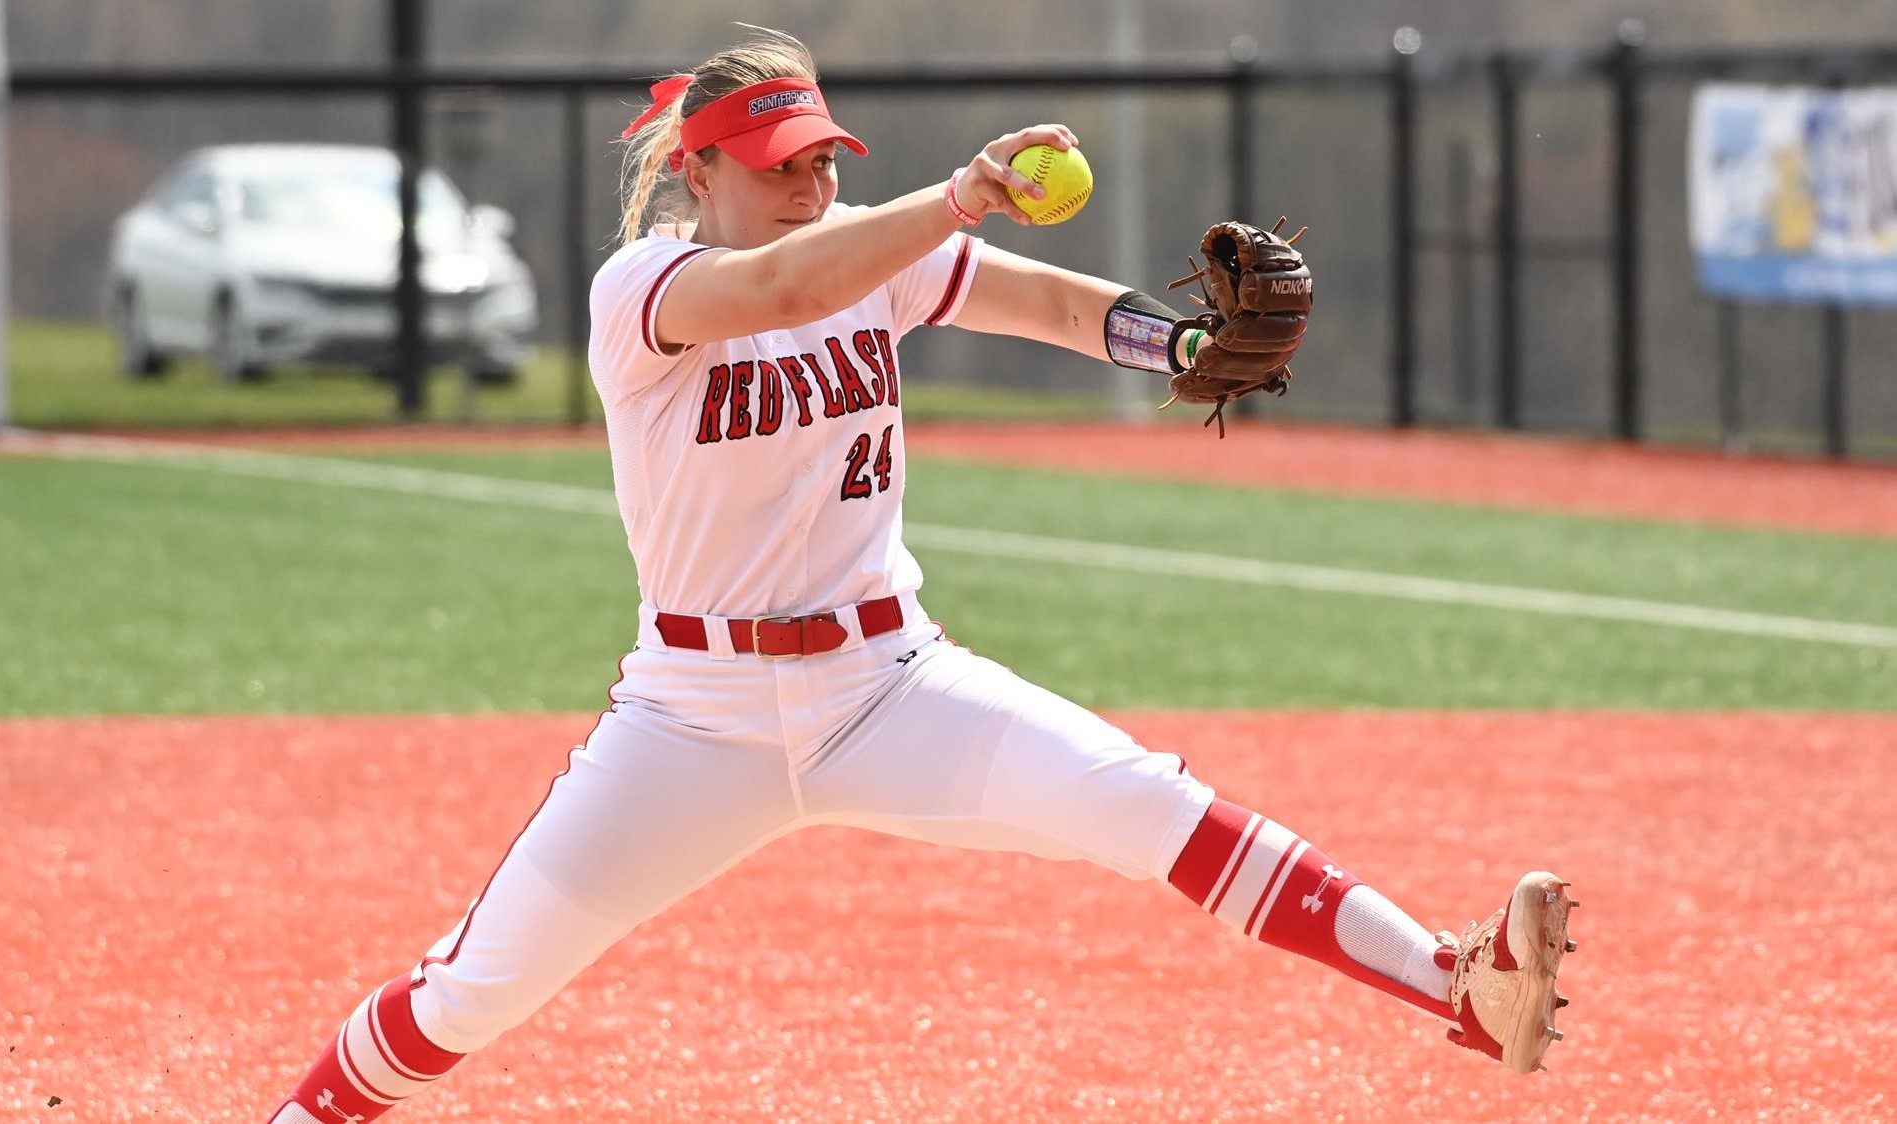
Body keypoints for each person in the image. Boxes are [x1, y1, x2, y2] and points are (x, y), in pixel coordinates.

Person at [267, 26, 1577, 1123]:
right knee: (472, 995)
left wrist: (1175, 339)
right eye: (778, 164)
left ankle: (1459, 985)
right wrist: (948, 201)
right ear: (699, 168)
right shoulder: (645, 286)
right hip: (689, 719)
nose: (807, 184)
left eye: (823, 160)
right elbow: (779, 287)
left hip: (887, 684)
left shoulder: (881, 255)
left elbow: (1062, 310)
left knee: (1149, 807)